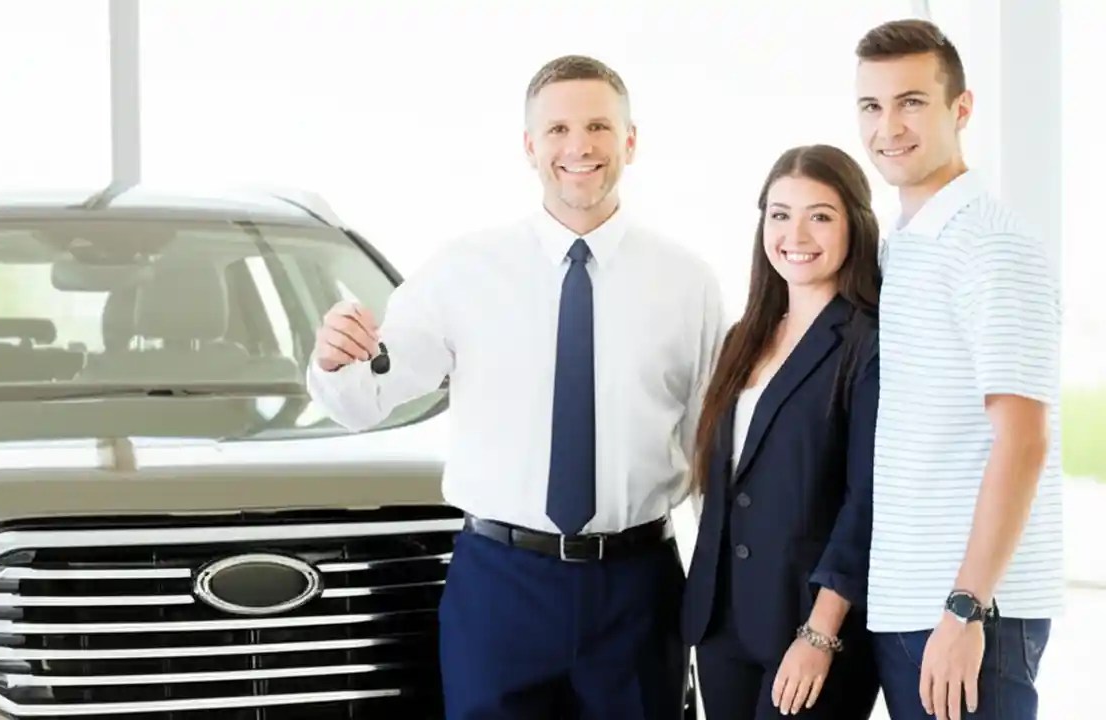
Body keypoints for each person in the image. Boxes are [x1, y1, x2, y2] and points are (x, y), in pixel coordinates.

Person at [306, 54, 723, 719]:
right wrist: (334, 361)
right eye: (557, 130)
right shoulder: (462, 272)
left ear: (631, 141)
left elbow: (711, 454)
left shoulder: (688, 283)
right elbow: (366, 401)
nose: (578, 147)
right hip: (500, 585)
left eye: (598, 127)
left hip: (638, 587)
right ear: (530, 147)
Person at [853, 19, 1063, 720]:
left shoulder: (990, 242)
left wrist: (965, 607)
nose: (889, 127)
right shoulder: (907, 245)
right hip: (911, 602)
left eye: (911, 102)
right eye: (872, 106)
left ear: (960, 110)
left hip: (971, 612)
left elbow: (1023, 439)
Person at [680, 144, 882, 719]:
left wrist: (820, 635)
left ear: (855, 226)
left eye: (820, 215)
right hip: (725, 621)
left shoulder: (867, 342)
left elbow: (866, 502)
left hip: (811, 628)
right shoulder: (744, 337)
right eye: (779, 214)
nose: (796, 233)